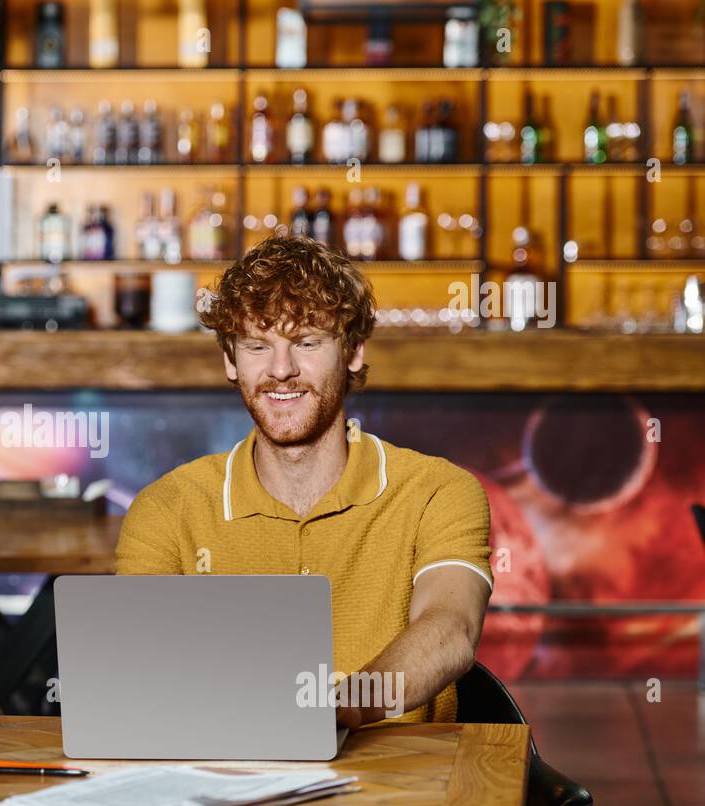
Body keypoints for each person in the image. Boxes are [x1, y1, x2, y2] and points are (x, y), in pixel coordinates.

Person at [115, 236, 492, 729]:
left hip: (400, 793)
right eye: (257, 346)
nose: (280, 370)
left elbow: (450, 630)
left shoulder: (437, 492)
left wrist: (331, 713)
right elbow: (135, 671)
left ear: (353, 350)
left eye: (307, 343)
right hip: (223, 784)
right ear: (231, 360)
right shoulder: (166, 508)